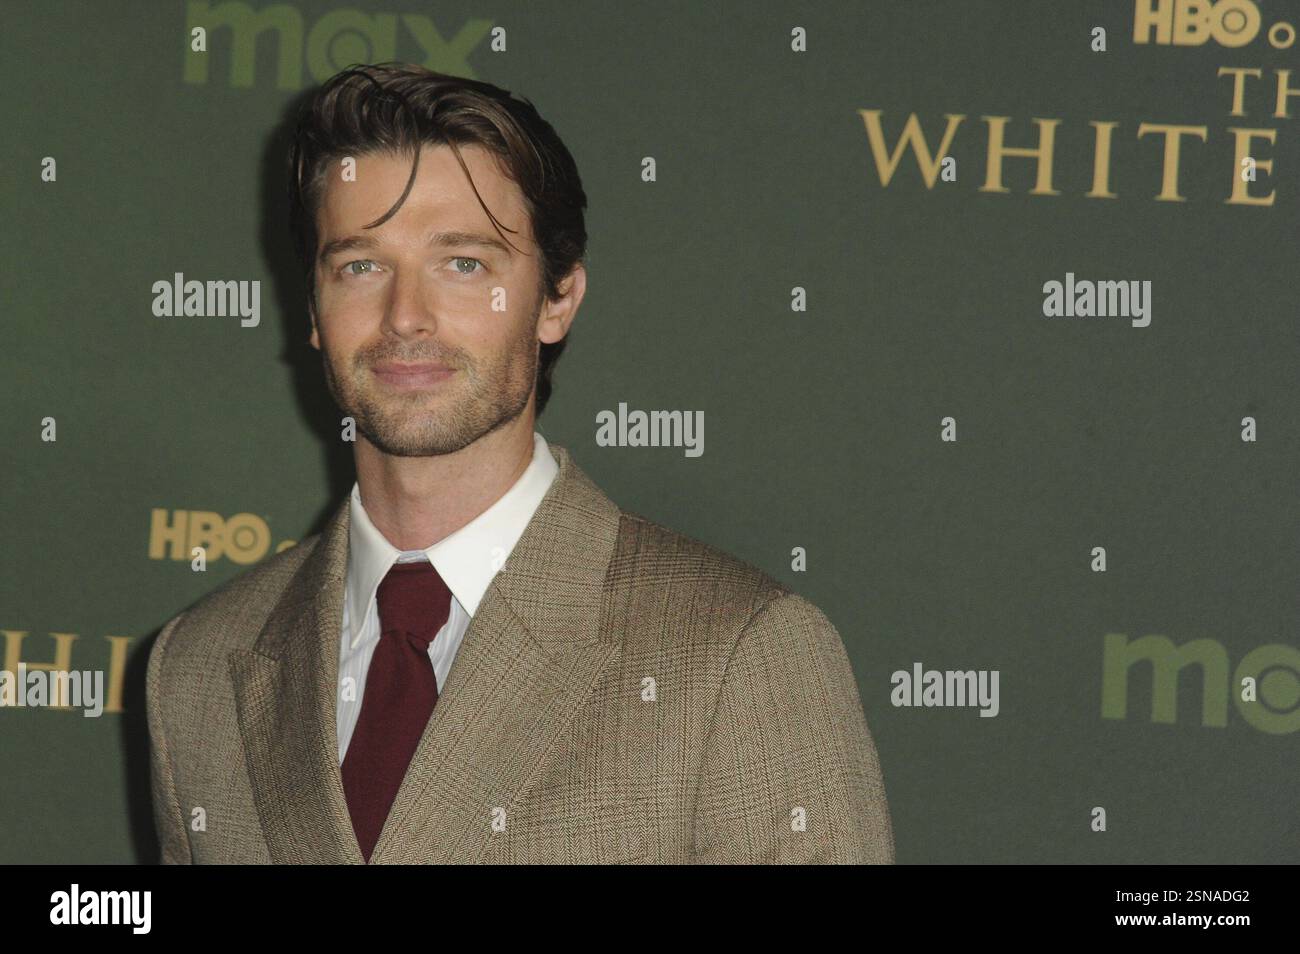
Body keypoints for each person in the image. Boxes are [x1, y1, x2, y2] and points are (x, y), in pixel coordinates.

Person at [146, 63, 894, 864]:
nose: (406, 317)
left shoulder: (739, 657)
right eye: (361, 265)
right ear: (315, 310)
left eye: (463, 263)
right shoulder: (196, 671)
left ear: (557, 298)